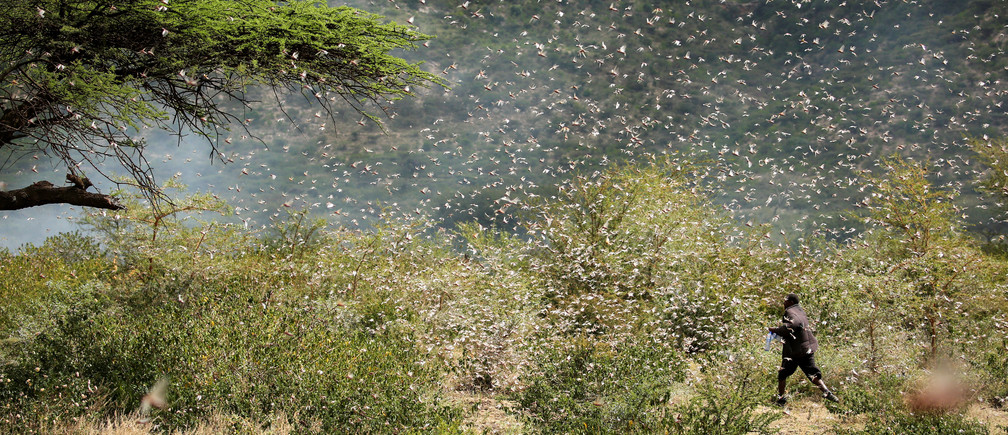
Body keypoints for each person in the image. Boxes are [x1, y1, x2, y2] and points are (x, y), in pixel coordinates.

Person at [768, 293, 839, 405]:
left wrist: (776, 330)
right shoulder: (800, 311)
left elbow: (792, 325)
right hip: (807, 348)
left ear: (791, 302)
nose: (784, 303)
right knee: (812, 373)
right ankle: (827, 392)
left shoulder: (790, 312)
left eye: (785, 301)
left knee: (782, 374)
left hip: (795, 352)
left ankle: (781, 400)